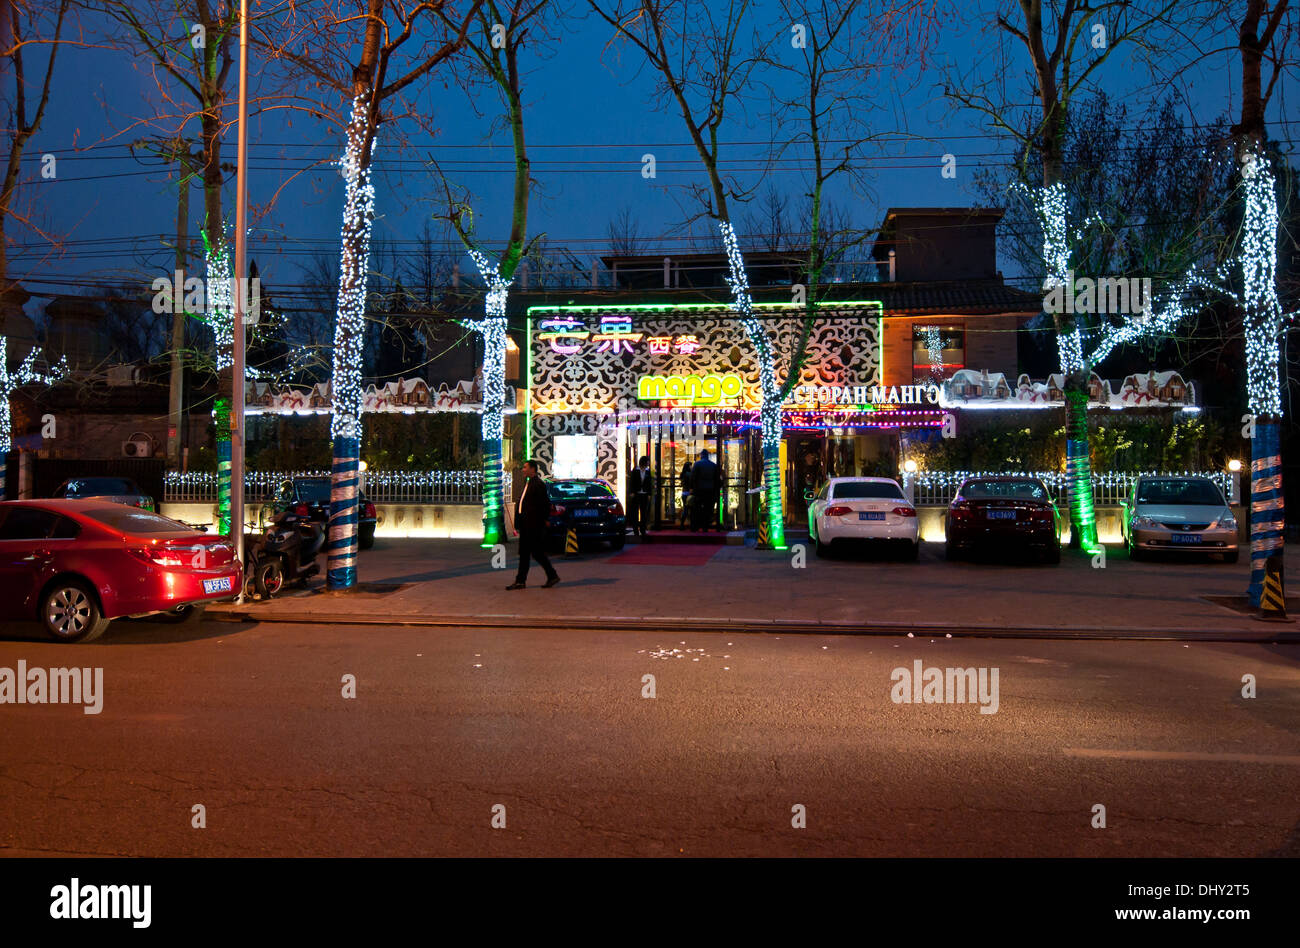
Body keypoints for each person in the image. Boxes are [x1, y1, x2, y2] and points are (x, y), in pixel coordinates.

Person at [506, 459, 560, 590]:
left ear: (532, 469)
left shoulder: (538, 484)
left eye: (525, 467)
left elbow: (544, 504)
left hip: (533, 525)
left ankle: (549, 576)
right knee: (528, 553)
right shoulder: (528, 483)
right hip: (526, 524)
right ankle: (523, 580)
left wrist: (542, 520)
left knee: (533, 553)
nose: (523, 470)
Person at [690, 449, 720, 531]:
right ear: (708, 456)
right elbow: (717, 479)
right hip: (710, 490)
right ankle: (705, 526)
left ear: (701, 455)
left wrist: (692, 488)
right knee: (708, 509)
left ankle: (696, 526)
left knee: (697, 508)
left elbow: (693, 477)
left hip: (699, 490)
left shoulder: (697, 464)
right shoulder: (713, 465)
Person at [629, 455, 653, 537]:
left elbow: (649, 483)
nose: (649, 463)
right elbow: (631, 482)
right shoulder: (635, 470)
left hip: (644, 495)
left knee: (644, 513)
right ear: (644, 462)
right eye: (647, 461)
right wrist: (631, 492)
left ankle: (643, 530)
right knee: (635, 513)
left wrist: (649, 493)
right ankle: (635, 530)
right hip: (636, 494)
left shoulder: (648, 471)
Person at [678, 461, 693, 530]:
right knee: (690, 510)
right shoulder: (689, 474)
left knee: (685, 509)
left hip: (683, 493)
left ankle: (682, 525)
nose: (692, 467)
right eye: (691, 466)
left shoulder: (683, 474)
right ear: (688, 467)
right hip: (688, 494)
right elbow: (691, 484)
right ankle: (692, 526)